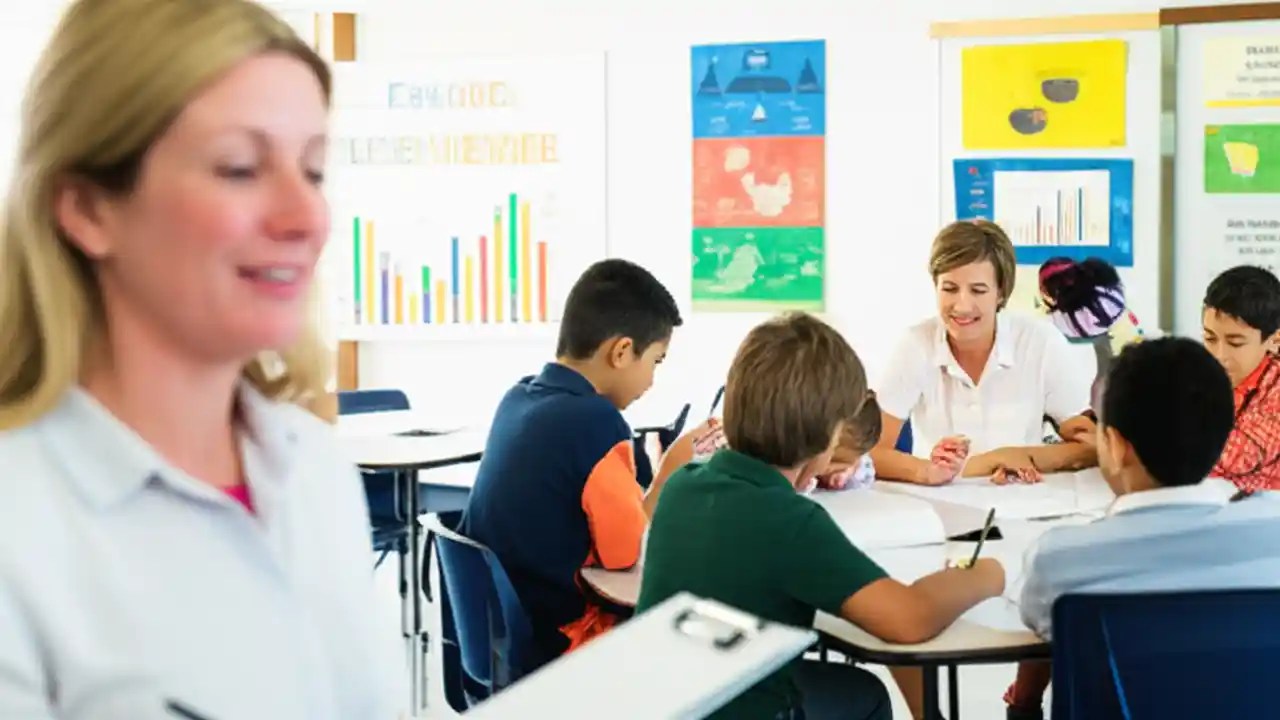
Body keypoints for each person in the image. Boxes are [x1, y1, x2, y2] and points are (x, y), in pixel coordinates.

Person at [0, 1, 396, 718]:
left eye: (312, 171)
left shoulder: (313, 468)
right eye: (240, 168)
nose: (304, 216)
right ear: (87, 208)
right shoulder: (19, 521)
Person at [638, 313, 1005, 720]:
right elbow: (909, 619)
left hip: (668, 704)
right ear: (825, 436)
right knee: (865, 696)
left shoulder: (683, 486)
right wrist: (986, 575)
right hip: (739, 710)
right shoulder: (790, 520)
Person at [1003, 337, 1280, 720]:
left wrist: (1022, 705)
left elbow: (1039, 637)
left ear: (1115, 445)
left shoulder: (1059, 559)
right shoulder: (1273, 532)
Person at [460, 258, 707, 669]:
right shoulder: (595, 422)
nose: (651, 380)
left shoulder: (517, 397)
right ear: (622, 351)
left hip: (499, 638)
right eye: (656, 362)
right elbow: (626, 556)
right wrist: (669, 474)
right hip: (561, 643)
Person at [869, 220, 1097, 486]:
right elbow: (870, 453)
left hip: (1024, 505)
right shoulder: (915, 344)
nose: (962, 306)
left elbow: (1091, 447)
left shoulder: (1041, 342)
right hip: (938, 507)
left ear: (1001, 293)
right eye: (949, 288)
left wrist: (1015, 456)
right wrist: (941, 469)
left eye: (978, 290)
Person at [1201, 265, 1280, 491]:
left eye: (1235, 343)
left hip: (1260, 520)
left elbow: (1236, 456)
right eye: (1210, 338)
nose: (1219, 355)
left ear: (1275, 340)